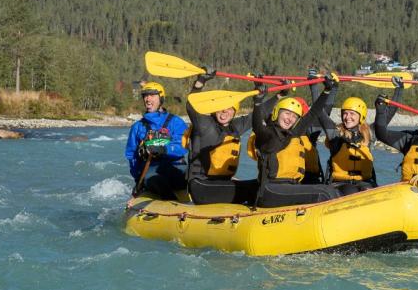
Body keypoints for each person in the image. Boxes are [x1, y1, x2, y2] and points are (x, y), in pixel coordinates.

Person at [251, 74, 342, 207]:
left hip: (291, 187)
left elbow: (313, 113)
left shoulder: (293, 134)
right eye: (287, 113)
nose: (290, 119)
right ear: (277, 113)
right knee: (324, 192)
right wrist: (258, 102)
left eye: (294, 116)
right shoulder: (266, 135)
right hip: (271, 190)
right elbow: (257, 125)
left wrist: (327, 90)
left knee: (328, 189)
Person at [184, 69, 259, 205]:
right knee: (256, 189)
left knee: (260, 185)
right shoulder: (204, 124)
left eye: (229, 109)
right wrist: (200, 82)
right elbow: (191, 106)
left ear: (234, 112)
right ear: (214, 109)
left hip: (221, 184)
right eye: (221, 108)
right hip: (202, 186)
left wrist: (264, 93)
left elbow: (258, 114)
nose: (225, 112)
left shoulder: (235, 127)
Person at [125, 81, 188, 199]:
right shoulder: (137, 127)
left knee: (189, 176)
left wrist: (163, 149)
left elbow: (183, 146)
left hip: (176, 166)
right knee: (153, 179)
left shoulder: (176, 122)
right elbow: (132, 156)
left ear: (161, 98)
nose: (148, 99)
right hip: (152, 170)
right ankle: (171, 202)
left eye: (152, 95)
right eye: (145, 96)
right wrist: (138, 179)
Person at [318, 95, 378, 196]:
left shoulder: (368, 134)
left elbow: (384, 119)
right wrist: (328, 89)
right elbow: (320, 112)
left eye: (352, 113)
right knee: (352, 191)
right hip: (340, 184)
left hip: (365, 183)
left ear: (361, 116)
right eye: (345, 113)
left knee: (371, 192)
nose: (347, 117)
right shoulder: (335, 135)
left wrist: (399, 89)